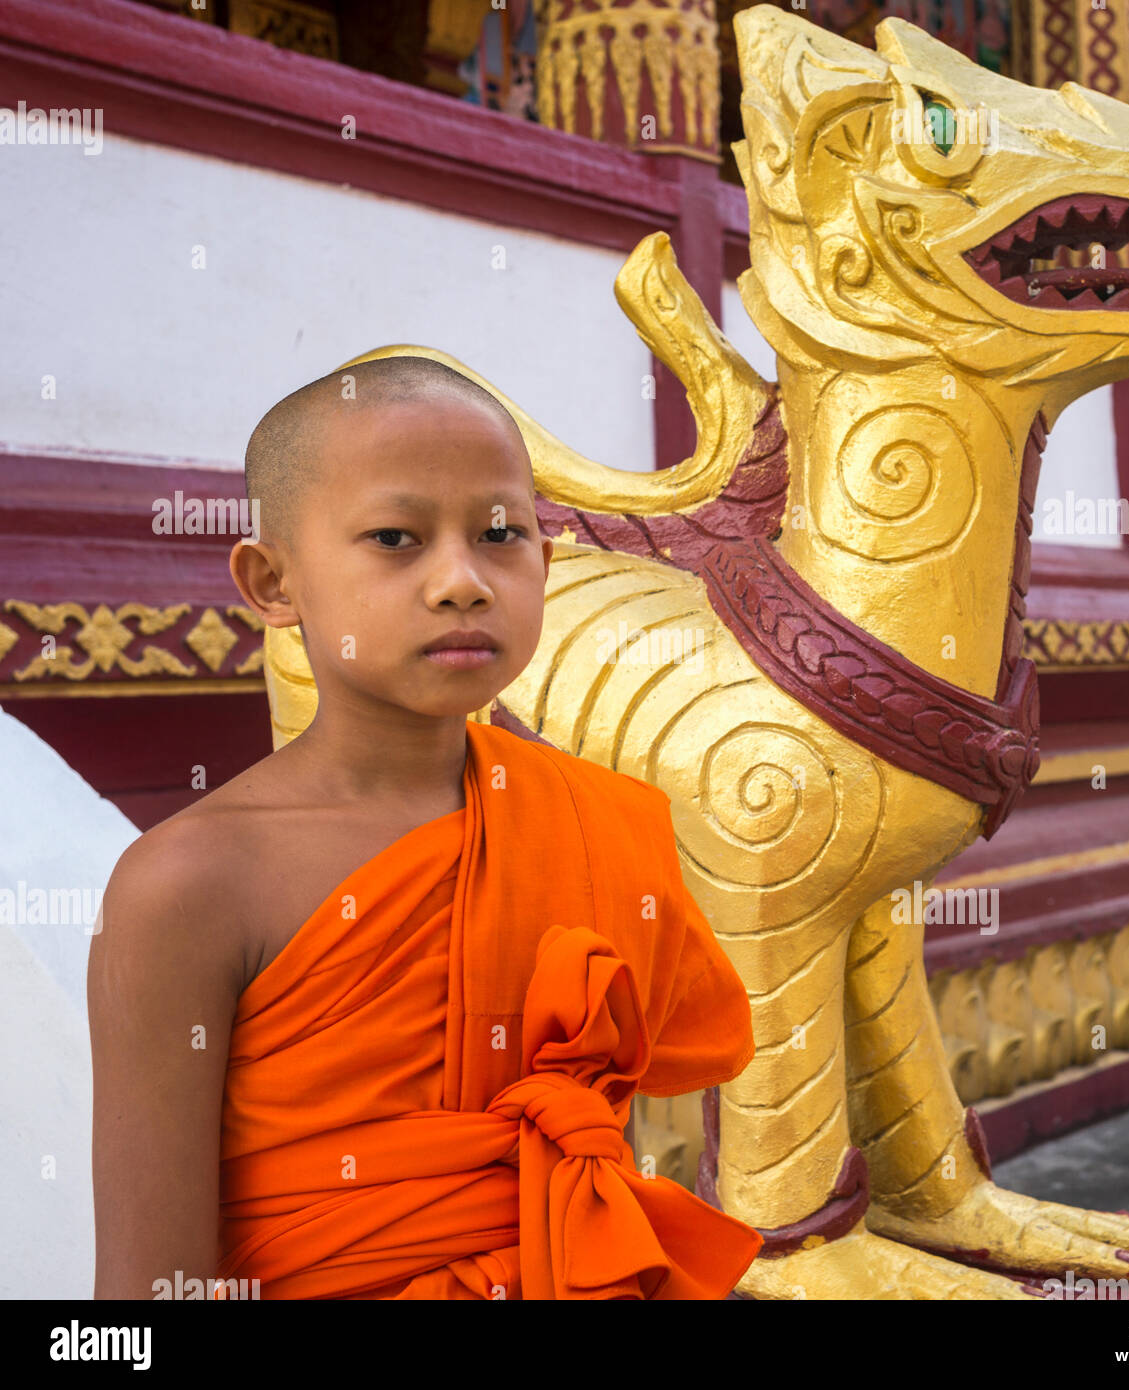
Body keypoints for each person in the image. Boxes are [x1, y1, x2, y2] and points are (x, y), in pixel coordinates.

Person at [89, 355, 762, 1300]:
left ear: (545, 565)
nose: (461, 581)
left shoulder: (594, 821)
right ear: (274, 582)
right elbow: (142, 1296)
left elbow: (593, 1151)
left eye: (500, 535)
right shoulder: (191, 880)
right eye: (396, 538)